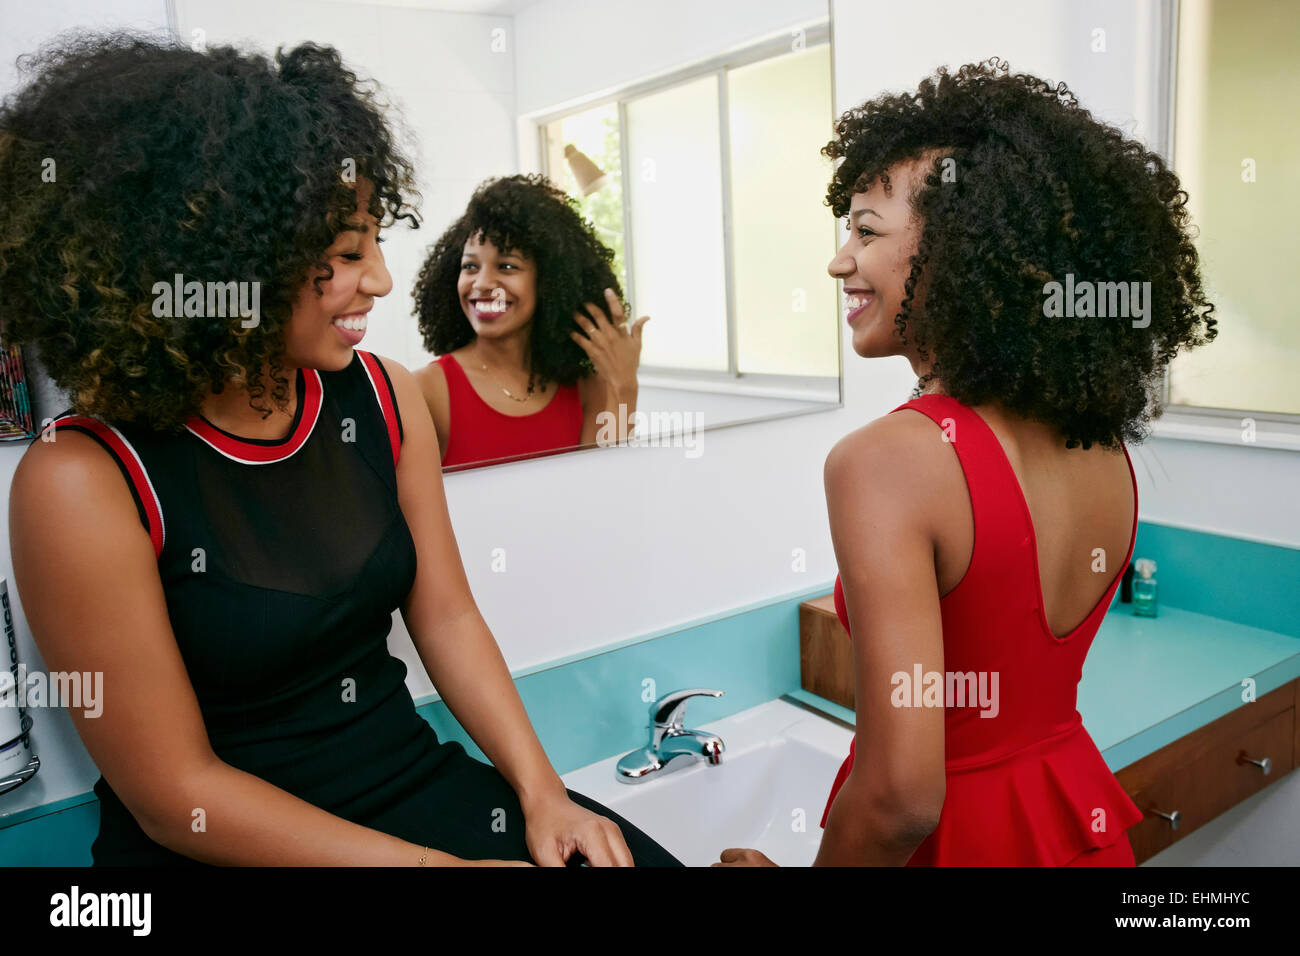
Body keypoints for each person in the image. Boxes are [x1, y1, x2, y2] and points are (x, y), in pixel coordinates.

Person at [1, 32, 679, 867]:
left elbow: (449, 615)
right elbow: (178, 796)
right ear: (233, 259)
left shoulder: (384, 398)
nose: (385, 280)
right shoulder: (79, 482)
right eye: (349, 252)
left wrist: (544, 796)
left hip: (407, 786)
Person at [715, 58, 1216, 867]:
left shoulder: (885, 461)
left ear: (958, 251)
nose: (840, 261)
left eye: (866, 230)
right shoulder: (1100, 444)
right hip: (1072, 823)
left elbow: (901, 797)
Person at [411, 174, 648, 468]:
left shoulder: (586, 389)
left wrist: (625, 386)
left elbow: (608, 491)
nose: (482, 283)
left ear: (547, 281)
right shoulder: (428, 390)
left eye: (507, 266)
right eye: (470, 266)